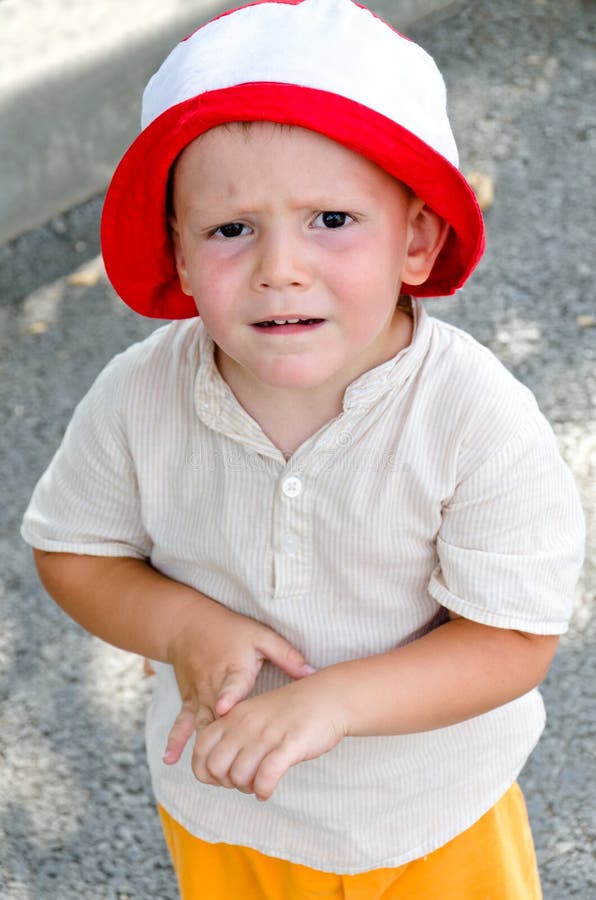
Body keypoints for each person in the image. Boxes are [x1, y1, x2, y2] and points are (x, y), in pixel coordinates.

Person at [21, 0, 585, 897]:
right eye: (231, 229)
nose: (279, 267)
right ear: (178, 253)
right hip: (227, 807)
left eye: (331, 219)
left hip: (430, 816)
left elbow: (512, 639)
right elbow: (74, 552)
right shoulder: (140, 394)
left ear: (417, 239)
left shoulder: (475, 419)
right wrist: (182, 627)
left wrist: (338, 701)